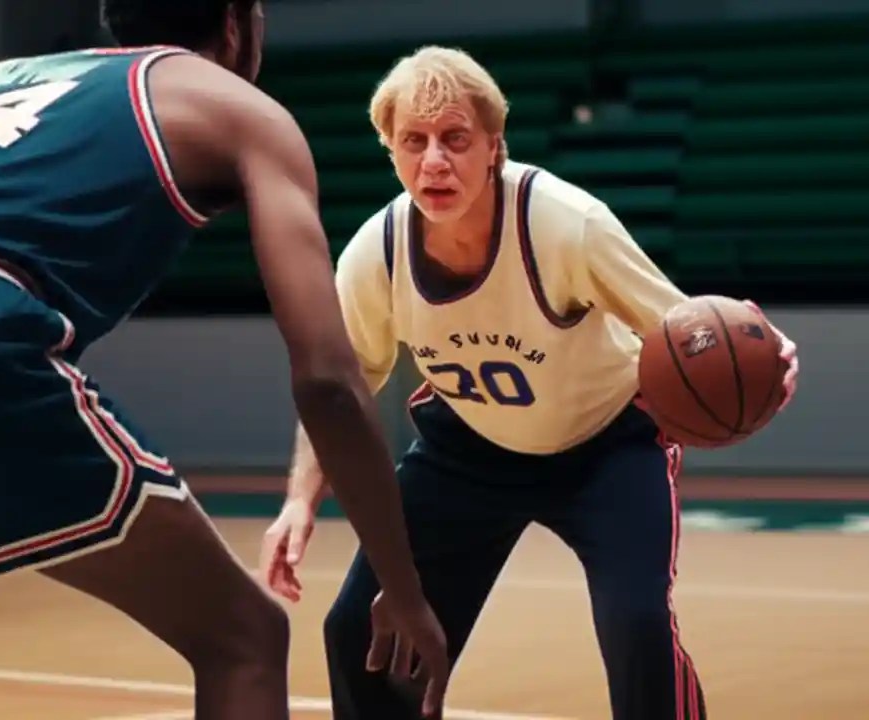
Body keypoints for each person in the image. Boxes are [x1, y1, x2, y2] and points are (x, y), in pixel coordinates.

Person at [0, 2, 450, 719]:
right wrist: (402, 590)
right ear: (234, 23)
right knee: (243, 637)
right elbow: (328, 381)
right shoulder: (240, 107)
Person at [258, 46, 799, 719]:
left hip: (607, 447)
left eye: (456, 139)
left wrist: (763, 349)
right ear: (390, 152)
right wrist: (300, 502)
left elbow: (682, 326)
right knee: (357, 629)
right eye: (414, 142)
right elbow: (340, 388)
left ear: (495, 148)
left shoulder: (568, 225)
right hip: (469, 452)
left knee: (638, 629)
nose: (434, 161)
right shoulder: (375, 254)